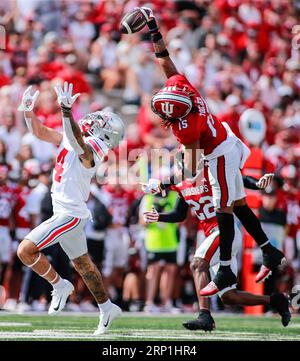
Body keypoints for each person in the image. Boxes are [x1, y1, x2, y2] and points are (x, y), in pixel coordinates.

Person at [132, 6, 285, 296]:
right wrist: (153, 28)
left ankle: (225, 269)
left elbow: (190, 170)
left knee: (223, 208)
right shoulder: (182, 87)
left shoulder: (185, 130)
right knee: (238, 204)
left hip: (220, 153)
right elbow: (164, 58)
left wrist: (162, 184)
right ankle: (269, 251)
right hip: (226, 137)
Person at [16, 82, 124, 335]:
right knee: (84, 266)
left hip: (69, 214)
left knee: (25, 251)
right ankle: (107, 307)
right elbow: (40, 132)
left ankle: (60, 285)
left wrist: (66, 112)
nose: (93, 120)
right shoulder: (75, 135)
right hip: (66, 212)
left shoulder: (97, 146)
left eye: (99, 120)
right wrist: (27, 110)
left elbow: (79, 146)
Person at [142, 160, 291, 330]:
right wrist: (159, 216)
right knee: (229, 297)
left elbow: (239, 179)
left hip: (224, 232)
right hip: (213, 238)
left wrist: (257, 184)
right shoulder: (181, 184)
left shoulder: (210, 173)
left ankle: (204, 315)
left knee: (197, 264)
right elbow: (179, 214)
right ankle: (276, 301)